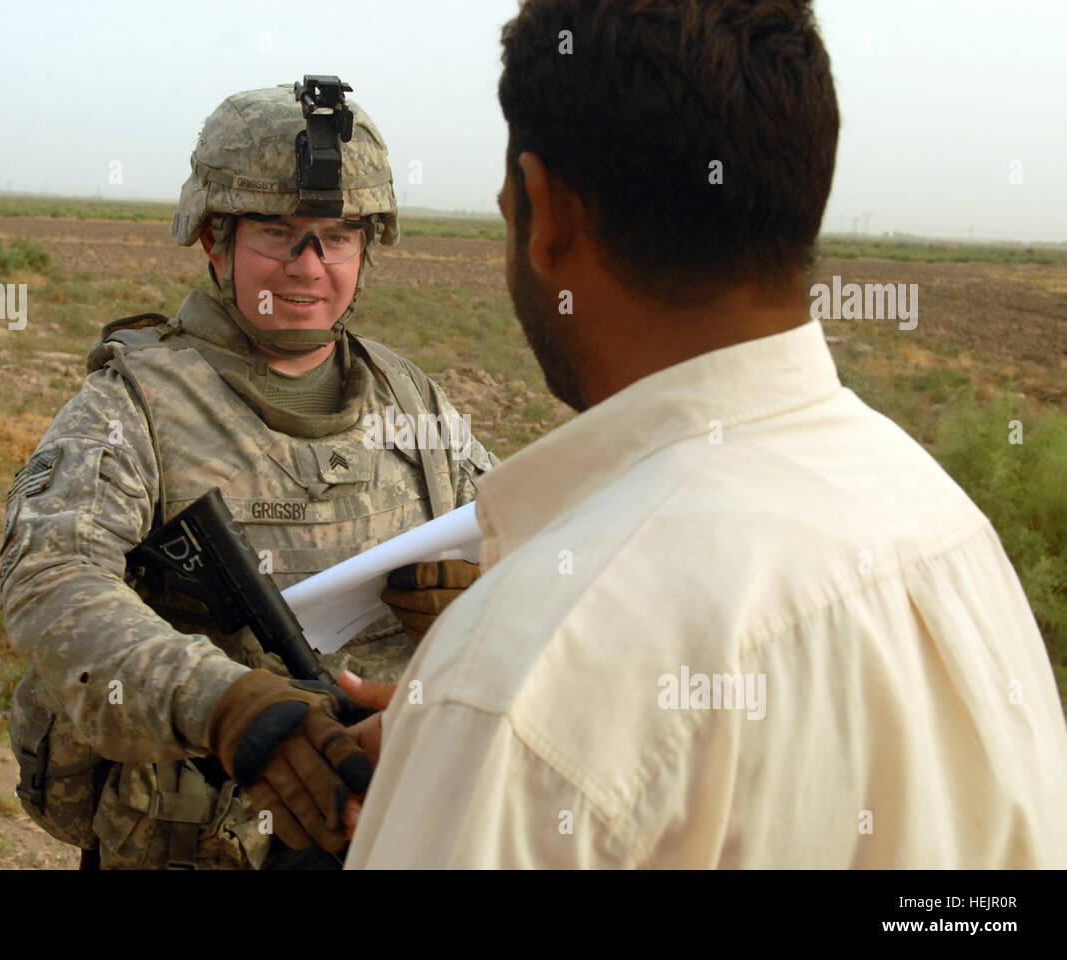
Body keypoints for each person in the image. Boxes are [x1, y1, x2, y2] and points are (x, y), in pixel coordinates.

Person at [343, 0, 1067, 867]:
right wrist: (457, 747)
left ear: (545, 211)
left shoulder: (532, 673)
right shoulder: (940, 523)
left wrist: (477, 744)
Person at [0, 77, 496, 870]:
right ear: (214, 240)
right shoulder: (135, 404)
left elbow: (524, 539)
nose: (308, 265)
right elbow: (52, 582)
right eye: (277, 232)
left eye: (335, 236)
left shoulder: (413, 399)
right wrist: (226, 706)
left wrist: (480, 596)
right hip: (192, 838)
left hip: (384, 824)